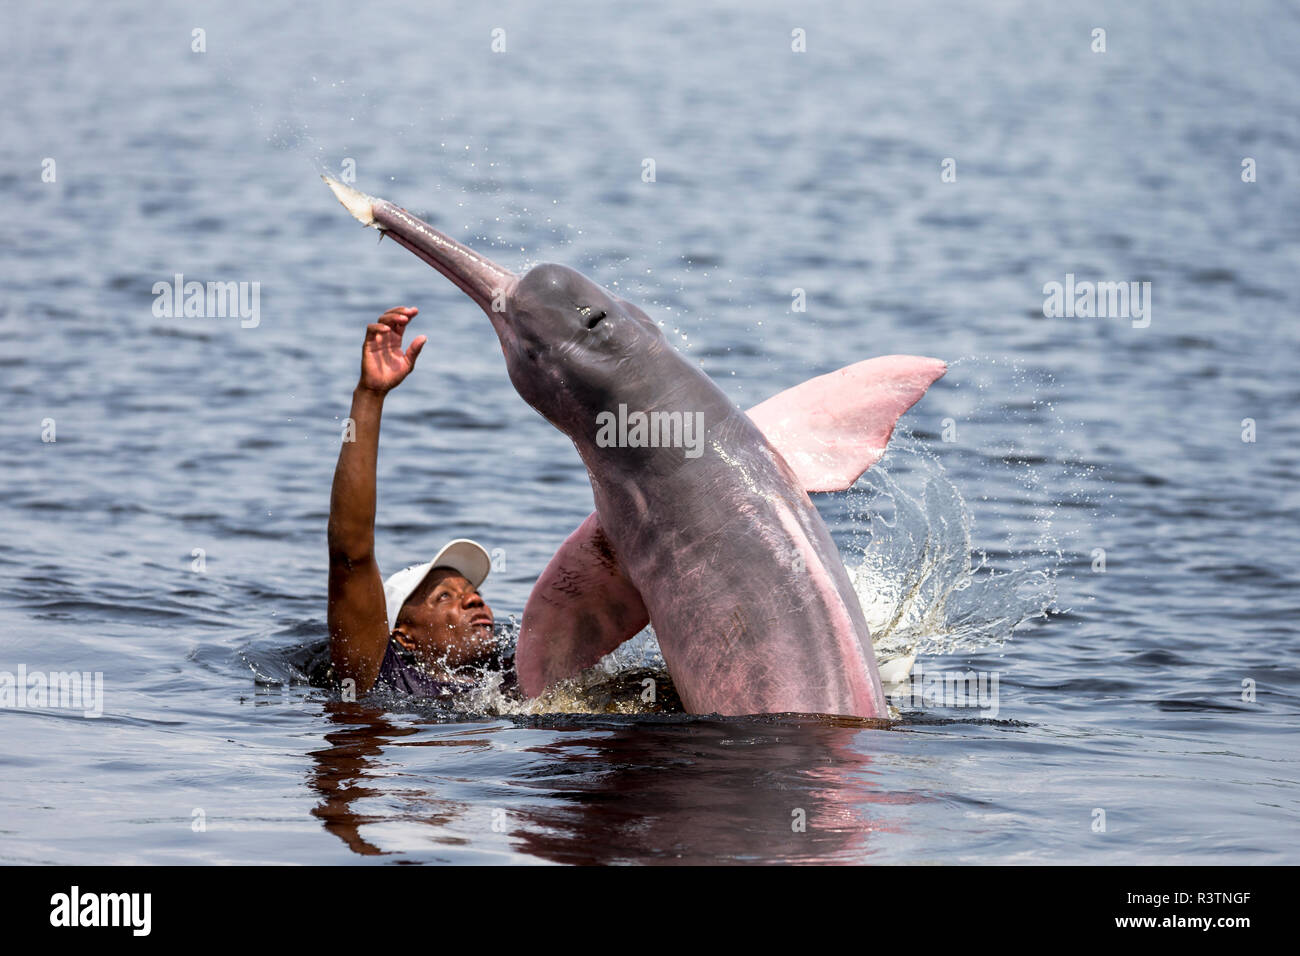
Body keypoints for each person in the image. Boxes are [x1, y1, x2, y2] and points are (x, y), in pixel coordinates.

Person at [326, 306, 505, 699]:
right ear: (402, 637)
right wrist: (370, 395)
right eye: (445, 597)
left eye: (470, 591)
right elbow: (350, 554)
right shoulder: (382, 678)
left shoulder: (513, 682)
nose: (475, 599)